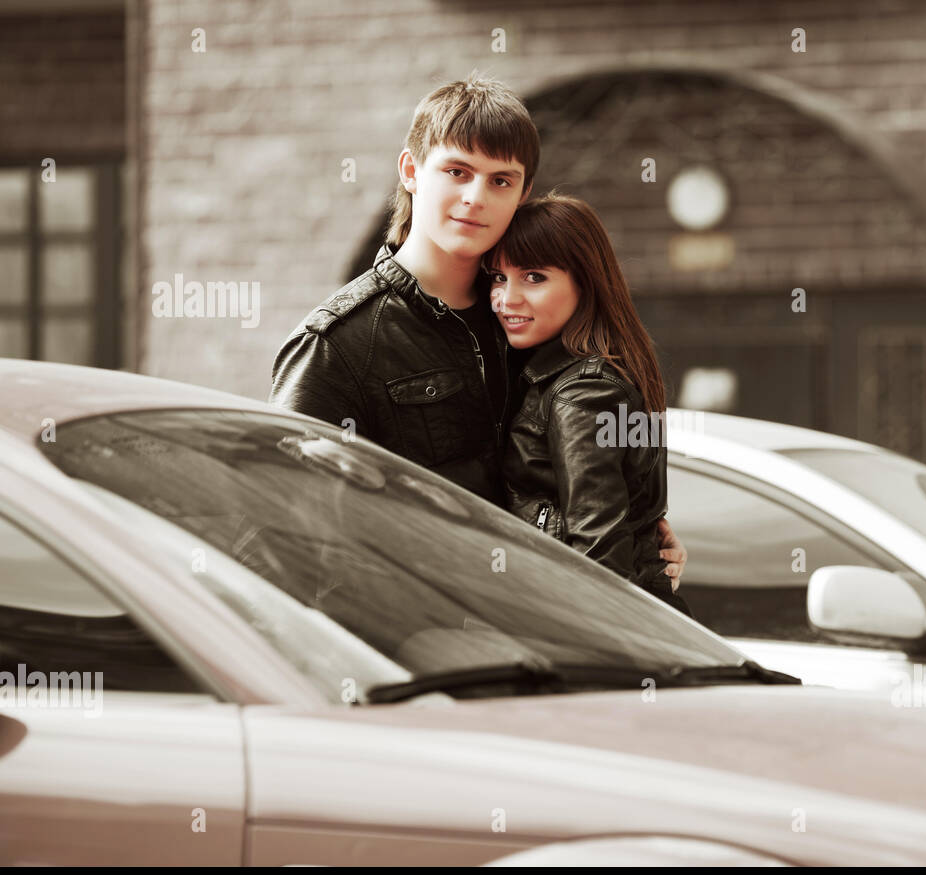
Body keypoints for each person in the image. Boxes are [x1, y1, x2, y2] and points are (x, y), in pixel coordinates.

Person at [268, 73, 686, 589]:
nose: (476, 197)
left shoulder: (525, 322)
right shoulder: (338, 344)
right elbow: (284, 524)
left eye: (500, 181)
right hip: (415, 634)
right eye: (457, 171)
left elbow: (583, 483)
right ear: (411, 170)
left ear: (523, 191)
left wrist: (641, 538)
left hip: (535, 624)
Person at [487, 193, 690, 614]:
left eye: (534, 277)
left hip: (587, 631)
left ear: (586, 282)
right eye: (498, 278)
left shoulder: (584, 393)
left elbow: (600, 557)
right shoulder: (602, 371)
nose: (508, 299)